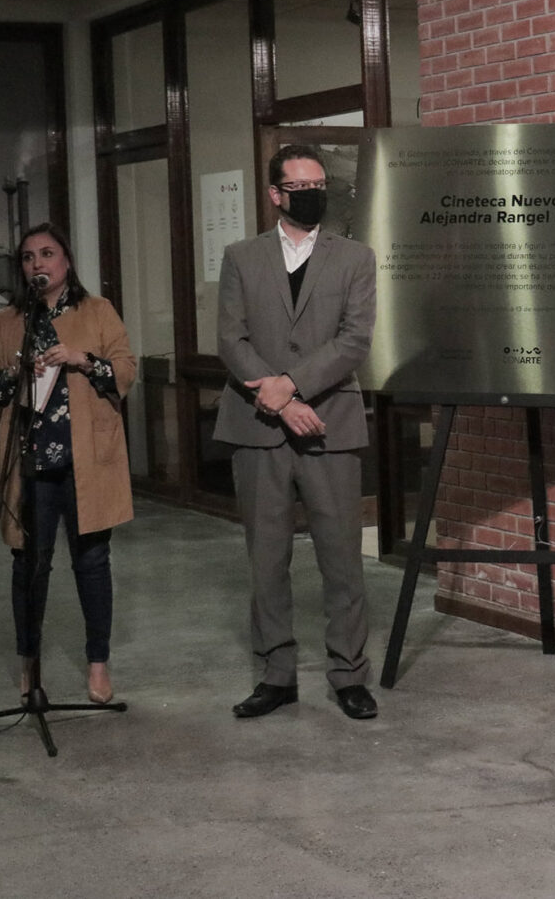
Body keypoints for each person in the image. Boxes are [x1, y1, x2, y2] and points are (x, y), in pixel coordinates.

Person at [214, 144, 378, 721]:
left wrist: (292, 385)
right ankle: (276, 675)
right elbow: (230, 340)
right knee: (266, 560)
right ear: (275, 194)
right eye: (299, 185)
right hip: (259, 427)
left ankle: (349, 676)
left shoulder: (355, 257)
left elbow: (354, 341)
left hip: (331, 425)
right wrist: (280, 400)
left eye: (318, 183)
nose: (312, 192)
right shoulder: (241, 256)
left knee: (342, 560)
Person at [0, 222, 135, 706]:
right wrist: (15, 373)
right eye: (28, 257)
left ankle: (99, 664)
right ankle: (29, 665)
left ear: (66, 260)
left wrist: (83, 359)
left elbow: (125, 370)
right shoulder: (8, 321)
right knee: (29, 565)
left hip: (86, 458)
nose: (38, 264)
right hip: (30, 462)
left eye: (47, 254)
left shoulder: (97, 310)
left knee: (92, 561)